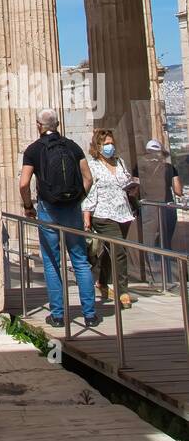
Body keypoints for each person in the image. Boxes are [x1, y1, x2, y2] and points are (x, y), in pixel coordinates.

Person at [19, 109, 99, 327]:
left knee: (52, 262)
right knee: (80, 261)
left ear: (38, 125)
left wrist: (28, 206)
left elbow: (24, 183)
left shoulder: (34, 150)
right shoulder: (72, 146)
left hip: (48, 209)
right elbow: (88, 178)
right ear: (58, 124)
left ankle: (58, 315)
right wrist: (77, 199)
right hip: (72, 209)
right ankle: (90, 315)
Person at [82, 128, 138, 309]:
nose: (110, 147)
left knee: (111, 249)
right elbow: (90, 190)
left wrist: (133, 187)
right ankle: (123, 292)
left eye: (111, 143)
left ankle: (102, 281)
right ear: (97, 146)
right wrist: (87, 215)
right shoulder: (93, 165)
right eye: (106, 144)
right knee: (120, 250)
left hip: (123, 212)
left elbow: (126, 181)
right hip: (103, 213)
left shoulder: (119, 162)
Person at [135, 139, 184, 286]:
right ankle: (168, 278)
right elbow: (178, 190)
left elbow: (135, 188)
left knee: (149, 244)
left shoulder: (140, 167)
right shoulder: (169, 167)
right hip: (167, 208)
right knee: (166, 243)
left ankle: (153, 279)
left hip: (148, 206)